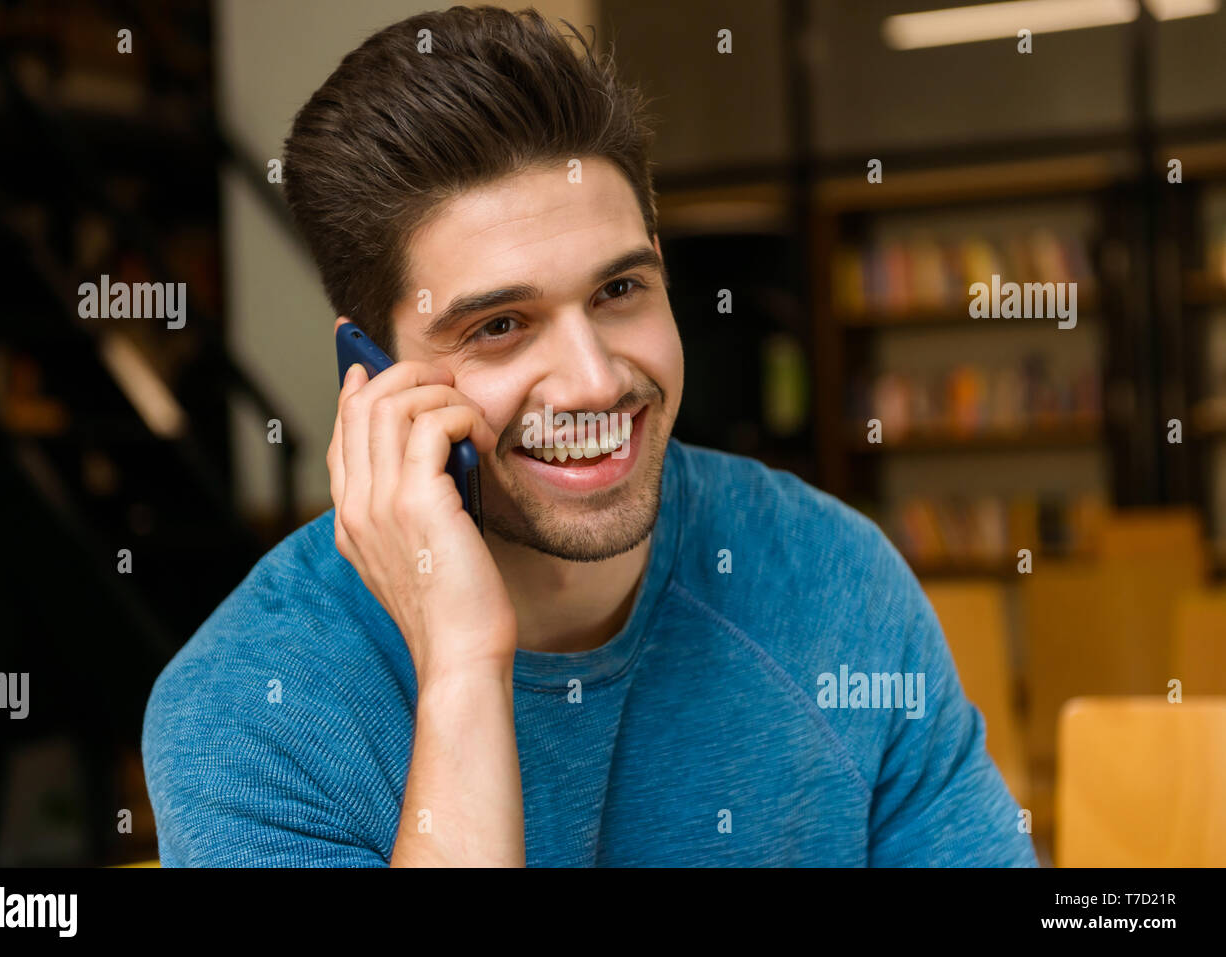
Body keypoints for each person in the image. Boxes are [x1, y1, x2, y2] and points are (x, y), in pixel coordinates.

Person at [142, 4, 1037, 867]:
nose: (597, 378)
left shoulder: (833, 576)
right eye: (498, 325)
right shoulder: (248, 705)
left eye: (619, 292)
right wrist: (460, 668)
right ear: (370, 373)